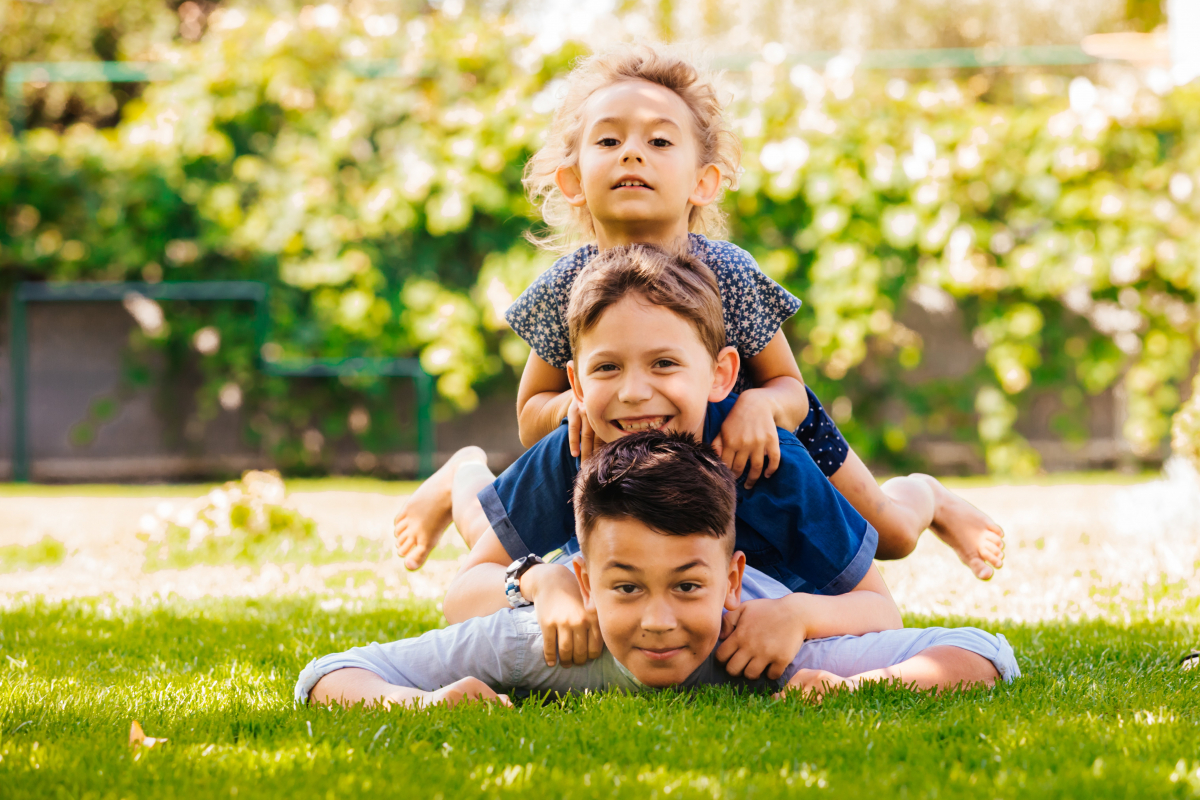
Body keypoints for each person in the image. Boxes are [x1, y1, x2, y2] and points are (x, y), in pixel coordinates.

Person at [394, 43, 1005, 582]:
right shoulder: (568, 284)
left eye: (659, 141)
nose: (633, 154)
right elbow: (531, 416)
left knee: (889, 540)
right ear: (573, 178)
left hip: (758, 437)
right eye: (609, 141)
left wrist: (761, 407)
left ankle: (929, 497)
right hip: (622, 439)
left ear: (704, 181)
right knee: (491, 537)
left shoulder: (728, 272)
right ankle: (460, 476)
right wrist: (572, 407)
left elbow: (788, 385)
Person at [439, 244, 902, 681]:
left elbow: (881, 611)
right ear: (576, 387)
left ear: (720, 375)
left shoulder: (768, 461)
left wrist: (798, 615)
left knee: (897, 530)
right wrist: (542, 582)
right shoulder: (573, 450)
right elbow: (461, 597)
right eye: (606, 368)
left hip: (768, 591)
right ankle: (463, 474)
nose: (635, 392)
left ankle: (464, 478)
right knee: (485, 528)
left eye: (663, 363)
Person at [302, 431, 1018, 709]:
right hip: (543, 544)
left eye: (687, 586)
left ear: (732, 583)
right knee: (478, 539)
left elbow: (984, 653)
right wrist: (423, 703)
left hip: (774, 509)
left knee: (895, 528)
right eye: (625, 590)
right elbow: (328, 673)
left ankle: (926, 490)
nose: (658, 621)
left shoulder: (754, 642)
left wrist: (851, 683)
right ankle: (465, 470)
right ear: (585, 585)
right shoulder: (550, 638)